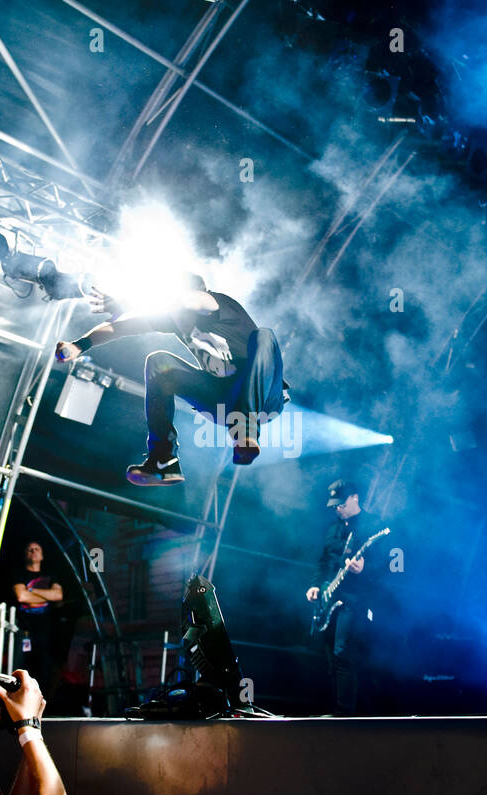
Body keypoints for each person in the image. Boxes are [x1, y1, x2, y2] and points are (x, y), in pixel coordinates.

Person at [54, 274, 287, 485]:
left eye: (179, 314)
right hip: (222, 402)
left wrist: (127, 301)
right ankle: (163, 460)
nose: (178, 322)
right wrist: (78, 345)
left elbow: (189, 301)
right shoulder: (174, 319)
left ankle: (245, 430)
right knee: (158, 362)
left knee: (264, 336)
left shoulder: (218, 304)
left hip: (265, 397)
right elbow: (119, 328)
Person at [306, 480, 387, 715]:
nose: (337, 509)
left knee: (343, 653)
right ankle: (333, 711)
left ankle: (345, 714)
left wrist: (365, 568)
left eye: (340, 504)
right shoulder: (333, 529)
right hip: (329, 599)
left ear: (354, 498)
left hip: (355, 600)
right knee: (330, 656)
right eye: (334, 506)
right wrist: (314, 586)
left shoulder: (374, 525)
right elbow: (322, 561)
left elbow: (391, 566)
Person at [12, 540, 66, 702]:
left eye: (37, 549)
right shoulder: (19, 574)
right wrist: (46, 594)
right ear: (25, 554)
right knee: (22, 668)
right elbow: (21, 596)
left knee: (44, 669)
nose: (33, 551)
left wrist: (32, 591)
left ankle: (42, 702)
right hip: (23, 629)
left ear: (42, 555)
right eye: (30, 549)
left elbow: (58, 596)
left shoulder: (50, 576)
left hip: (45, 630)